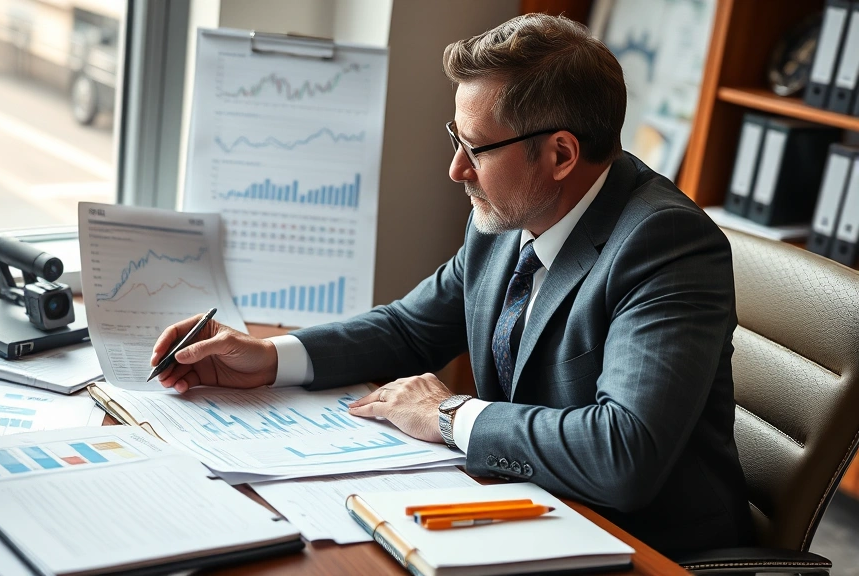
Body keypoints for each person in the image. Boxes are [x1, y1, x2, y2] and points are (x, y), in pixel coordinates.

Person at [151, 14, 754, 555]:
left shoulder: (665, 245)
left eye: (476, 149)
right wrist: (268, 358)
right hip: (525, 506)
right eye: (455, 139)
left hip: (638, 543)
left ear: (561, 155)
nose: (456, 169)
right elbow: (410, 328)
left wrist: (450, 415)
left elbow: (624, 453)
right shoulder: (506, 214)